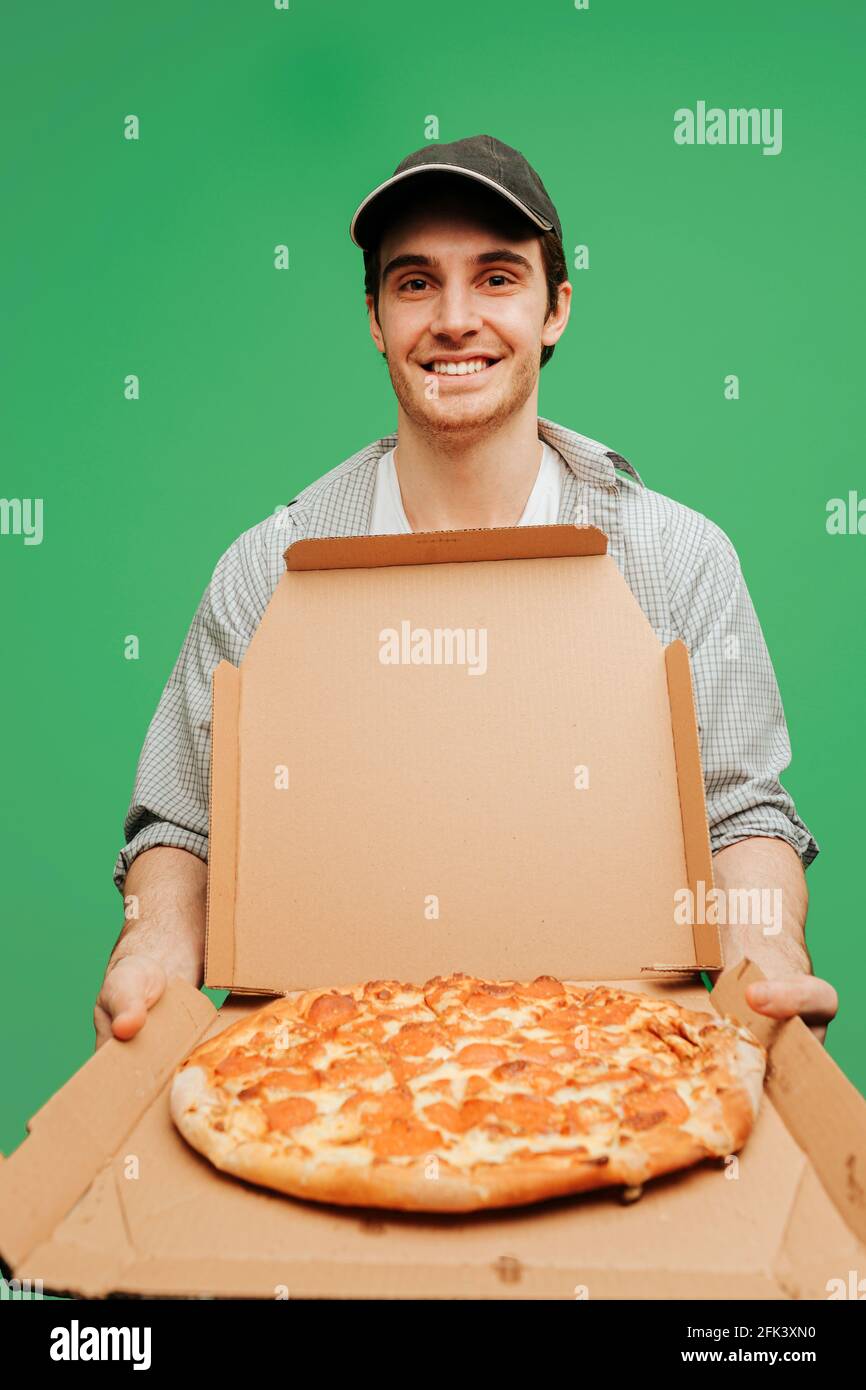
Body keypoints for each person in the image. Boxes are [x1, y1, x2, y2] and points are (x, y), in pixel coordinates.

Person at [95, 134, 837, 1050]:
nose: (455, 319)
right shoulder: (268, 570)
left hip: (619, 1062)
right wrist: (154, 952)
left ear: (556, 307)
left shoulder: (680, 560)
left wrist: (769, 956)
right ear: (374, 315)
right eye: (415, 283)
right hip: (323, 1059)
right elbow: (182, 825)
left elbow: (739, 817)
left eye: (496, 278)